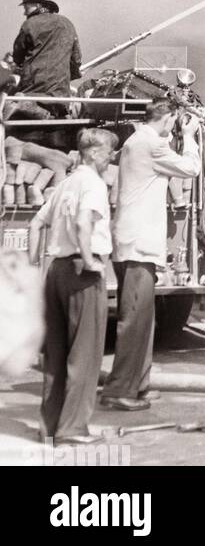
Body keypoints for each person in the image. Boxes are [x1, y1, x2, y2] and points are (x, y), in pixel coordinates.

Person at [100, 100, 201, 412]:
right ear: (169, 118)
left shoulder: (139, 140)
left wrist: (175, 134)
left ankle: (139, 383)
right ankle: (119, 390)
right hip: (137, 247)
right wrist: (191, 137)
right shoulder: (149, 146)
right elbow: (191, 168)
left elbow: (162, 145)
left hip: (133, 243)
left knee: (145, 320)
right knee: (134, 320)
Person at [28, 128, 117, 443]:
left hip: (56, 270)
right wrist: (90, 258)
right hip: (81, 272)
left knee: (55, 353)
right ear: (93, 152)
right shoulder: (92, 183)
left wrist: (34, 265)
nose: (111, 159)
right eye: (108, 153)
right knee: (85, 354)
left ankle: (49, 426)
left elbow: (36, 223)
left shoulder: (64, 183)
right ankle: (73, 428)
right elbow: (83, 222)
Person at [12, 0, 81, 117]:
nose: (24, 13)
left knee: (10, 105)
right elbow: (76, 60)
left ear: (38, 5)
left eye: (26, 8)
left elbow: (18, 58)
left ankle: (39, 113)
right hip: (61, 96)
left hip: (32, 94)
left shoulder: (29, 24)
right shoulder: (68, 23)